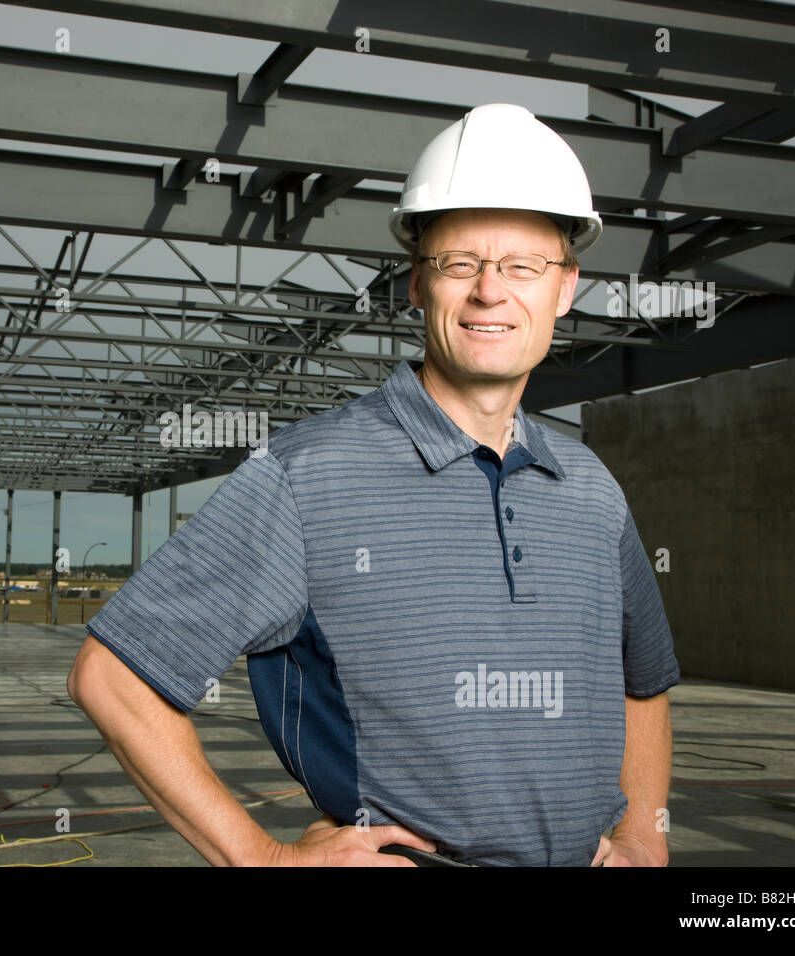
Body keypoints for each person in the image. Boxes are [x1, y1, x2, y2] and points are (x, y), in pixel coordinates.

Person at [67, 103, 678, 867]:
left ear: (565, 288)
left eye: (524, 266)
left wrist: (643, 844)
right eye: (461, 264)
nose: (492, 291)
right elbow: (115, 677)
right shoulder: (307, 475)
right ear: (418, 283)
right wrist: (266, 860)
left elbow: (643, 682)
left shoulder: (591, 488)